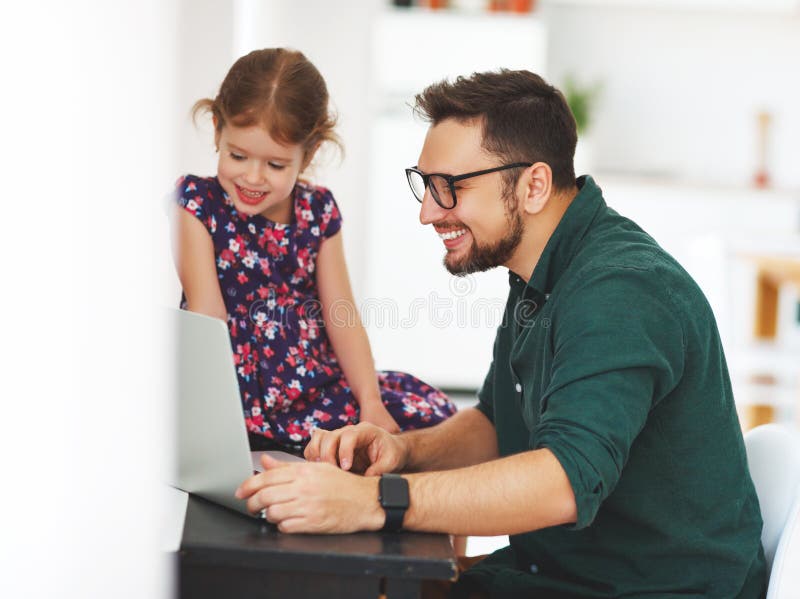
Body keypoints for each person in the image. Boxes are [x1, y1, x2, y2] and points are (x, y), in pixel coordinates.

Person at [235, 69, 767, 598]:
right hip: (562, 572)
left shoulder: (620, 289)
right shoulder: (540, 271)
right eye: (425, 185)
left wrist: (374, 502)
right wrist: (402, 451)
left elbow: (564, 481)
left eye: (450, 188)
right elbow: (495, 423)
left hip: (651, 589)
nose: (427, 212)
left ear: (533, 184)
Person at [171, 48, 456, 455]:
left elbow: (341, 314)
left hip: (311, 391)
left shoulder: (317, 211)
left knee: (431, 417)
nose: (253, 177)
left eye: (276, 165)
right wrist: (198, 424)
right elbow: (206, 316)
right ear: (217, 129)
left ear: (311, 152)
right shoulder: (195, 205)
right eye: (238, 156)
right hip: (233, 395)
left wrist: (370, 402)